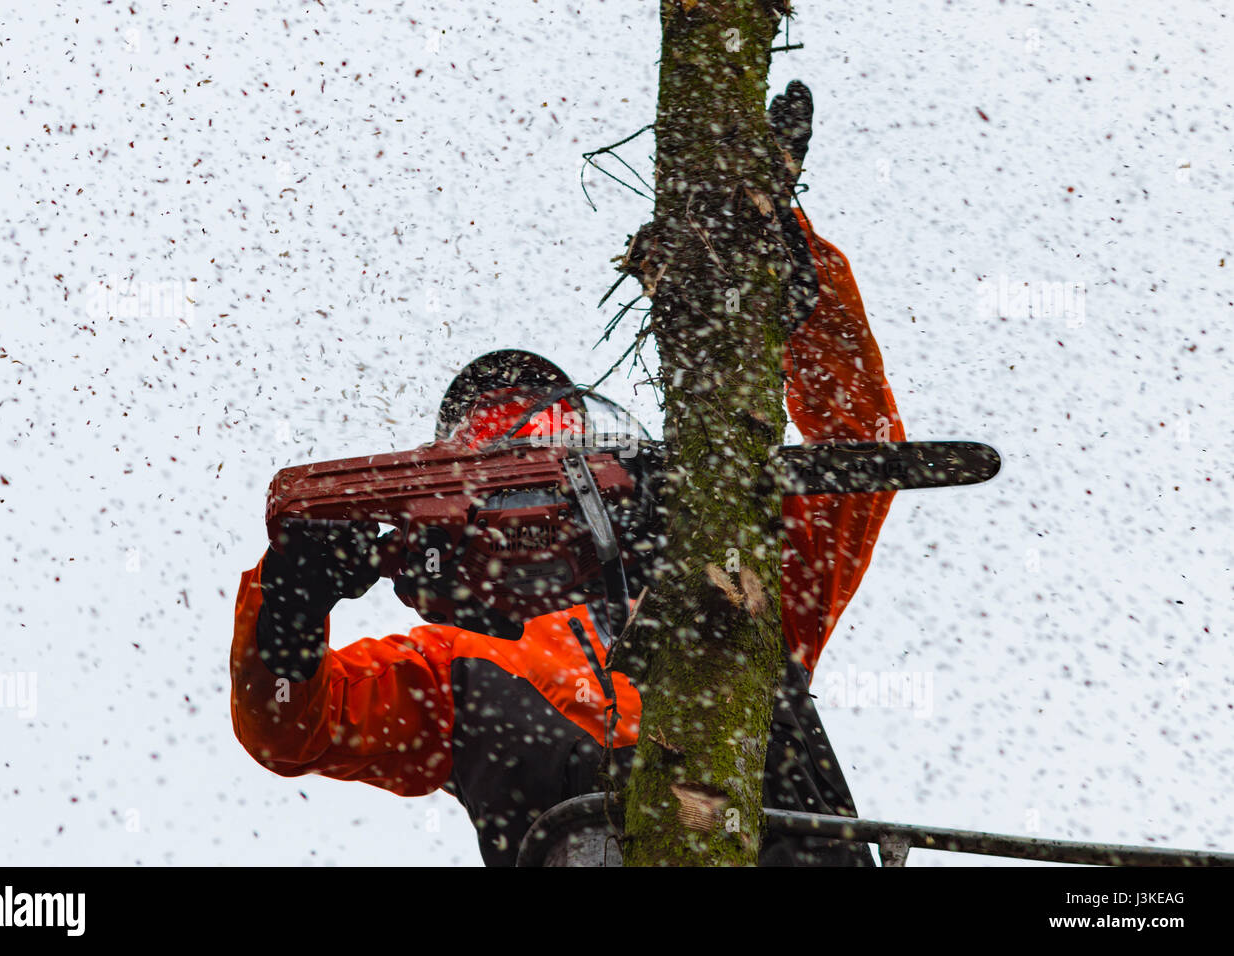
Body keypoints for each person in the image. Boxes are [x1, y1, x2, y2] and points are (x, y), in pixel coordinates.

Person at [229, 81, 906, 866]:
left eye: (539, 436)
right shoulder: (453, 664)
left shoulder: (724, 563)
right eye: (497, 443)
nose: (525, 459)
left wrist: (793, 271)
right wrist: (289, 607)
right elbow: (289, 726)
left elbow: (859, 449)